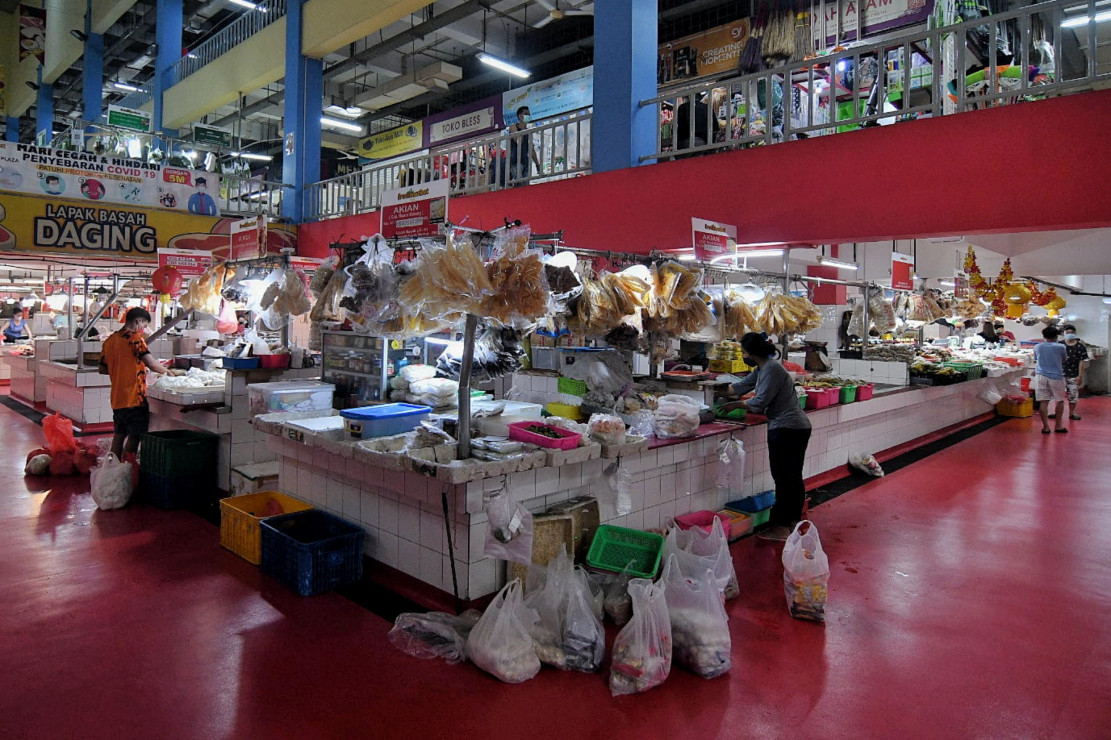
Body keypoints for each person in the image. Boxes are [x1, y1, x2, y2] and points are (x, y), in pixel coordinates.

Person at [730, 332, 812, 541]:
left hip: (787, 429)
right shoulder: (764, 368)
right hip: (796, 428)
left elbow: (759, 402)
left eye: (743, 352)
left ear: (751, 352)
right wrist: (719, 390)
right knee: (792, 477)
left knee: (784, 478)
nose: (743, 355)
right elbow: (741, 386)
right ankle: (793, 521)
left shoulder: (772, 370)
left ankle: (781, 527)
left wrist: (734, 404)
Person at [101, 307, 173, 460]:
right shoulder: (134, 339)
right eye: (144, 325)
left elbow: (102, 369)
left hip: (117, 398)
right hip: (134, 397)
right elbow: (152, 364)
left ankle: (112, 468)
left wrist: (122, 369)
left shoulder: (109, 341)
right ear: (138, 321)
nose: (143, 329)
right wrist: (170, 373)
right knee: (135, 436)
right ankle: (128, 468)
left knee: (119, 435)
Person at [1032, 325, 1069, 434]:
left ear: (1043, 336)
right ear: (1056, 336)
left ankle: (1046, 427)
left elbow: (1036, 359)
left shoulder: (1037, 347)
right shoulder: (1061, 347)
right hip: (1056, 376)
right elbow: (1063, 359)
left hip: (1040, 376)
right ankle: (1058, 425)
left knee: (1043, 401)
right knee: (1059, 400)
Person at [1058, 324, 1088, 421]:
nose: (1070, 334)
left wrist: (1080, 376)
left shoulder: (1080, 347)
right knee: (1058, 395)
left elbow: (1081, 362)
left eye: (1072, 333)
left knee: (1073, 395)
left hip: (1074, 375)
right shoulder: (1059, 345)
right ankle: (1057, 413)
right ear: (1064, 333)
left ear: (1075, 333)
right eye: (1067, 333)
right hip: (1060, 374)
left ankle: (1071, 413)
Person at [505, 106, 541, 185]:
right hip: (515, 161)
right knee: (519, 183)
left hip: (525, 161)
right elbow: (518, 141)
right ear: (520, 116)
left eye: (529, 114)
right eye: (526, 114)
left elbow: (531, 149)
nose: (528, 116)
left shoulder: (528, 131)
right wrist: (522, 128)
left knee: (525, 185)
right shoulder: (513, 127)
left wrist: (537, 164)